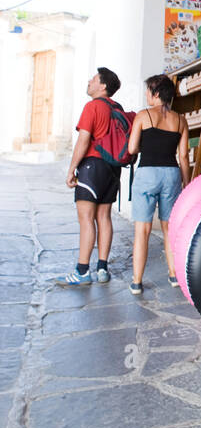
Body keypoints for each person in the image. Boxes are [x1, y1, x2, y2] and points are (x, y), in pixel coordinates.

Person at [127, 75, 190, 294]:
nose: (146, 95)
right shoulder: (181, 120)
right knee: (169, 228)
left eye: (148, 91)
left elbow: (132, 148)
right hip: (171, 174)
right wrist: (187, 182)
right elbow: (183, 157)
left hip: (147, 174)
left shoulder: (143, 116)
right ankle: (174, 275)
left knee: (142, 229)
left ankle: (136, 281)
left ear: (155, 93)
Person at [63, 66, 124, 285]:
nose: (90, 80)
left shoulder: (92, 107)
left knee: (86, 218)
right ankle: (102, 268)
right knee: (104, 216)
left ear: (103, 86)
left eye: (94, 78)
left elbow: (83, 140)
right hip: (112, 169)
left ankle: (81, 271)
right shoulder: (117, 107)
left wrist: (72, 169)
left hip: (91, 167)